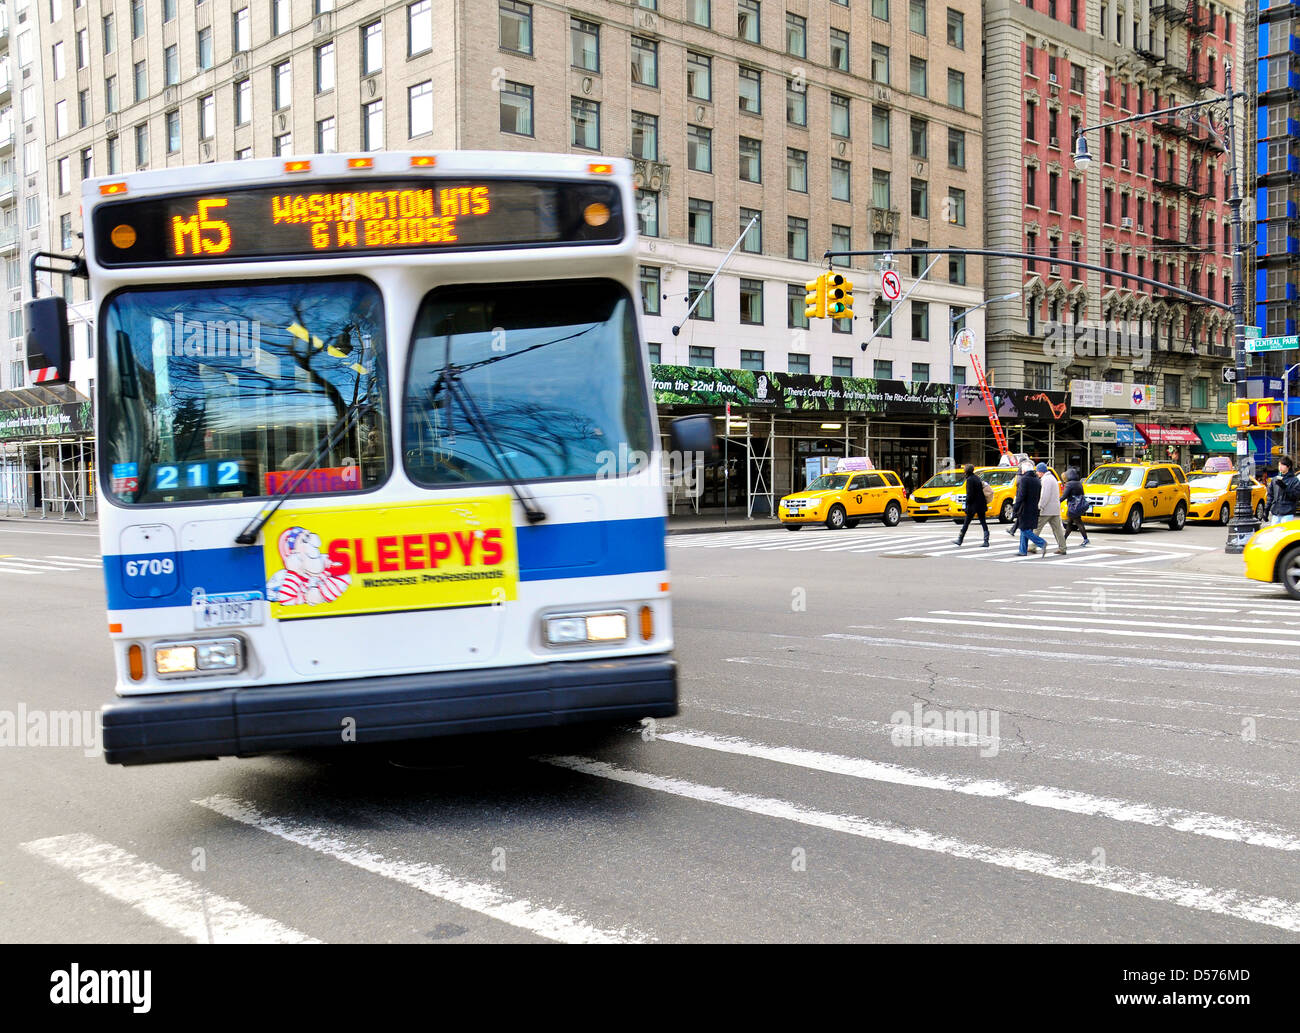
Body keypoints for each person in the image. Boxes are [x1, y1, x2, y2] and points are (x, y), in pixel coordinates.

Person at [1030, 463, 1068, 555]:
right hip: (1055, 509)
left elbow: (1044, 496)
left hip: (1046, 510)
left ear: (1041, 471)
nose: (1037, 474)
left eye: (1038, 472)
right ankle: (1062, 548)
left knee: (1037, 528)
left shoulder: (1045, 480)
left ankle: (1032, 547)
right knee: (1057, 530)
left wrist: (1040, 506)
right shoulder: (1052, 478)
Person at [1013, 463, 1048, 556]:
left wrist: (1016, 507)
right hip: (1034, 507)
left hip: (1025, 508)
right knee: (1027, 529)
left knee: (1024, 529)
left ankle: (1041, 543)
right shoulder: (1037, 480)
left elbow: (1021, 495)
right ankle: (1022, 550)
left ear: (1024, 470)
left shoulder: (1024, 480)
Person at [952, 464, 990, 547]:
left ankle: (960, 539)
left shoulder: (969, 480)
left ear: (966, 471)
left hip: (973, 505)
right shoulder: (977, 478)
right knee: (983, 522)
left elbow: (970, 495)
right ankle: (986, 540)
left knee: (966, 522)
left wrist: (966, 505)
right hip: (981, 503)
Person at [1061, 466, 1091, 547]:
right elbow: (1082, 494)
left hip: (1073, 507)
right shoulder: (1079, 483)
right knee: (1070, 524)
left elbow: (1064, 496)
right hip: (1078, 506)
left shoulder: (1069, 484)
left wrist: (1057, 501)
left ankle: (1085, 539)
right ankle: (1063, 540)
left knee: (1078, 523)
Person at [1268, 456, 1299, 525]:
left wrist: (1285, 487)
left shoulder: (1294, 480)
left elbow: (1295, 496)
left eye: (1283, 465)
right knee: (1274, 533)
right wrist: (1267, 509)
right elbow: (1270, 495)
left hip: (1287, 512)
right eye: (1279, 465)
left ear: (1288, 466)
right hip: (1276, 512)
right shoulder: (1275, 479)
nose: (1280, 467)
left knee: (1284, 533)